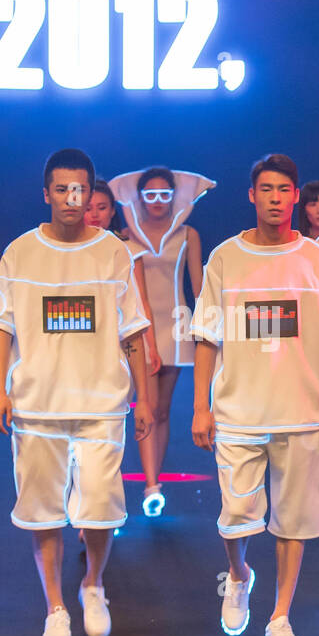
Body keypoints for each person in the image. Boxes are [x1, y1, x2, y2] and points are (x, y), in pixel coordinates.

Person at [0, 149, 154, 636]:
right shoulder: (20, 251)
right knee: (43, 510)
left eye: (79, 190)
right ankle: (55, 606)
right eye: (61, 189)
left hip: (101, 403)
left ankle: (93, 584)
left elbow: (135, 329)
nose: (70, 198)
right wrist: (0, 392)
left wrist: (143, 398)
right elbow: (0, 325)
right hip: (37, 404)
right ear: (46, 194)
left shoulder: (113, 252)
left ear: (91, 194)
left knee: (99, 508)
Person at [190, 153, 319, 636]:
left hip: (302, 412)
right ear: (252, 195)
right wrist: (201, 406)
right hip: (238, 410)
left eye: (285, 189)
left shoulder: (318, 260)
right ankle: (239, 574)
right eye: (266, 189)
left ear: (296, 196)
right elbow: (206, 337)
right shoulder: (224, 258)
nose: (276, 198)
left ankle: (280, 617)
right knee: (236, 515)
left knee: (294, 521)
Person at [109, 167, 214, 516]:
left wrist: (210, 328)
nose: (157, 201)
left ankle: (155, 480)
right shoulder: (129, 235)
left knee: (164, 410)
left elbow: (198, 286)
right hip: (139, 327)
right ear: (139, 199)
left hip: (176, 324)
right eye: (150, 195)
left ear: (174, 197)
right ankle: (151, 484)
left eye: (164, 194)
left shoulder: (188, 234)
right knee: (146, 405)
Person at [86, 179, 161, 518]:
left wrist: (152, 345)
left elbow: (142, 302)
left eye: (102, 207)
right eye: (89, 207)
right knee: (102, 427)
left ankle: (150, 484)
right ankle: (100, 503)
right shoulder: (71, 250)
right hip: (91, 351)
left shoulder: (129, 249)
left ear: (112, 211)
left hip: (128, 343)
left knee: (143, 413)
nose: (95, 214)